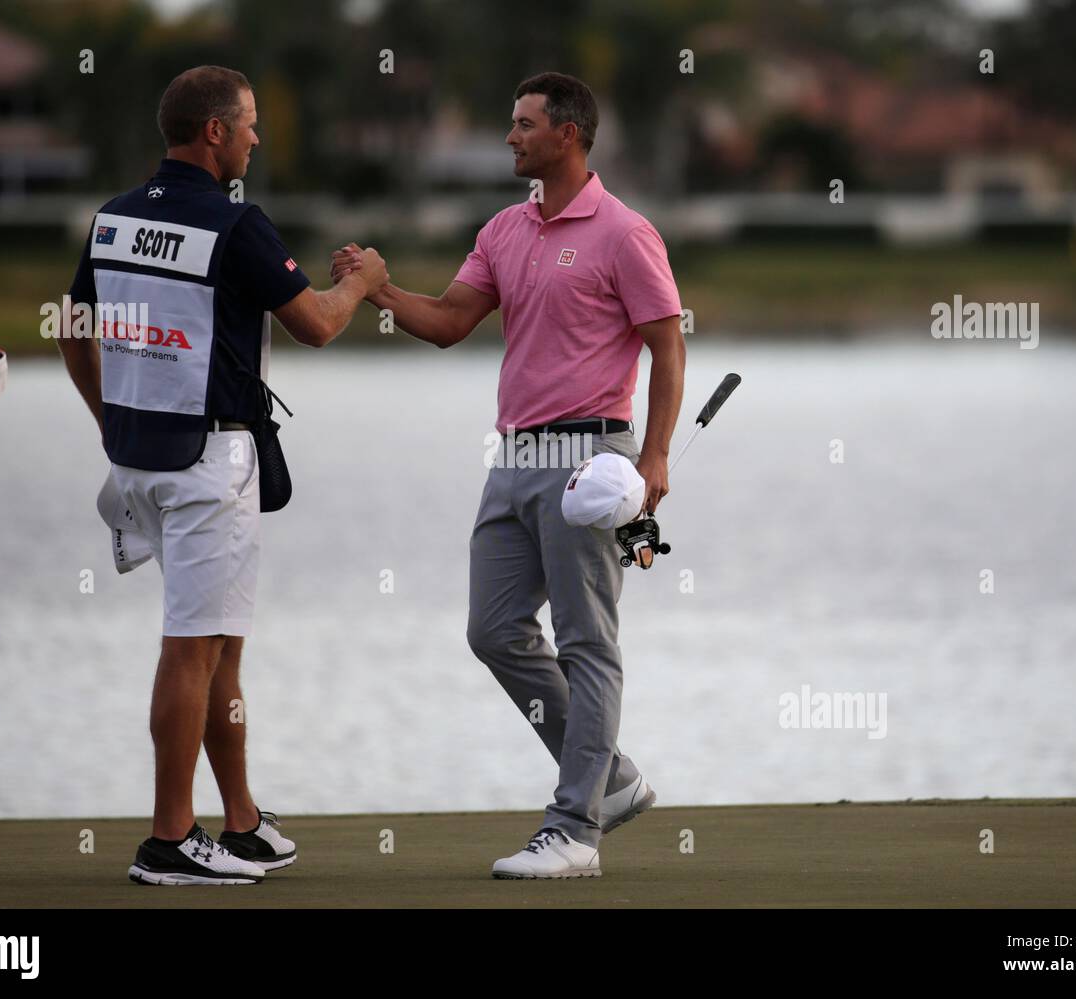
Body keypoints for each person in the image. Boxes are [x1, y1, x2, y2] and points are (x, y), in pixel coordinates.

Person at [332, 71, 684, 879]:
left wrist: (655, 454)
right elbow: (452, 321)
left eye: (524, 124)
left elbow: (668, 344)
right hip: (513, 460)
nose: (510, 135)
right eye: (511, 122)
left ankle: (575, 830)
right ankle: (614, 779)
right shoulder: (503, 229)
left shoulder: (626, 232)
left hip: (590, 464)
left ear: (569, 133)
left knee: (588, 642)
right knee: (492, 630)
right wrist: (378, 287)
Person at [58, 65, 387, 885]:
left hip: (142, 463)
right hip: (209, 467)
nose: (255, 138)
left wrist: (112, 422)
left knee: (221, 645)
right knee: (194, 650)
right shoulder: (236, 223)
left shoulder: (115, 216)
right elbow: (314, 323)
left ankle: (238, 821)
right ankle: (170, 838)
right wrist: (363, 282)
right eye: (247, 125)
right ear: (214, 132)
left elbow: (71, 330)